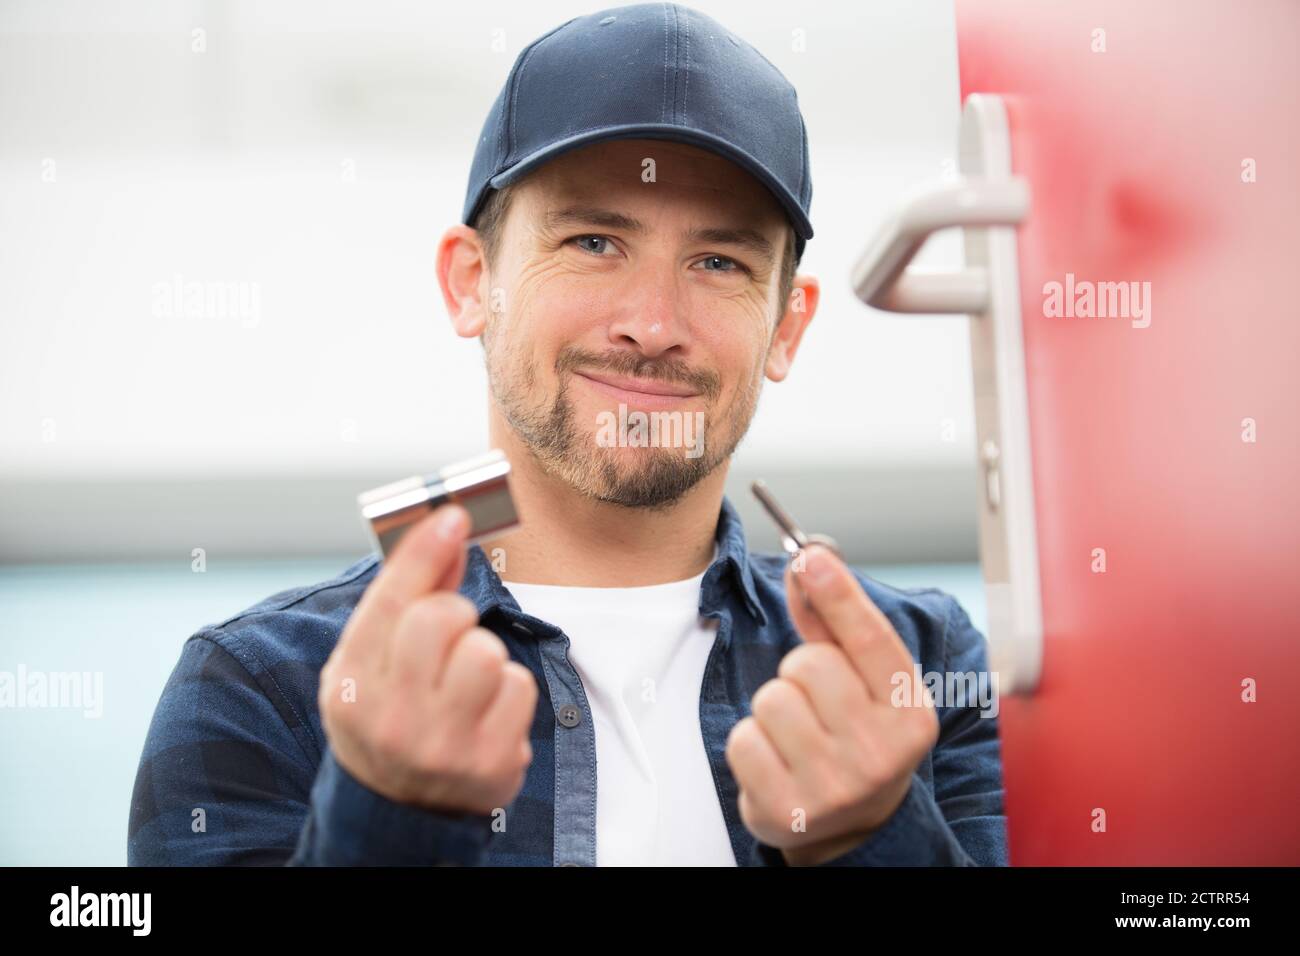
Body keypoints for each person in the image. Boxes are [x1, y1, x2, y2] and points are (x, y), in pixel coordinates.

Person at [128, 2, 1008, 867]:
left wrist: (878, 838)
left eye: (718, 262)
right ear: (471, 283)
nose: (653, 323)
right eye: (593, 241)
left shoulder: (922, 670)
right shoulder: (260, 690)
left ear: (786, 328)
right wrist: (387, 821)